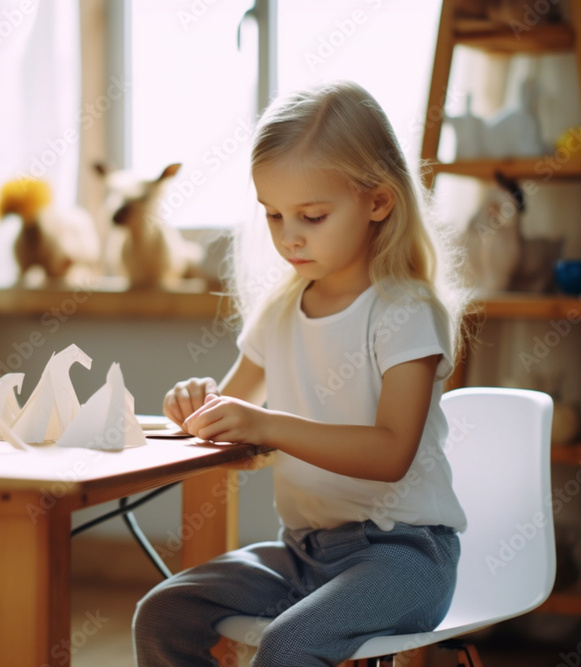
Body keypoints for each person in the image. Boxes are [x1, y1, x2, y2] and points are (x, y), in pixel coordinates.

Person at [133, 81, 469, 666]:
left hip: (404, 557)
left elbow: (391, 453)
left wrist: (266, 425)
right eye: (273, 214)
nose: (289, 235)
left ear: (378, 202)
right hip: (304, 552)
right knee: (164, 611)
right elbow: (229, 409)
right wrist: (193, 404)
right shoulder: (281, 309)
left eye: (312, 216)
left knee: (290, 644)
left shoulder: (405, 312)